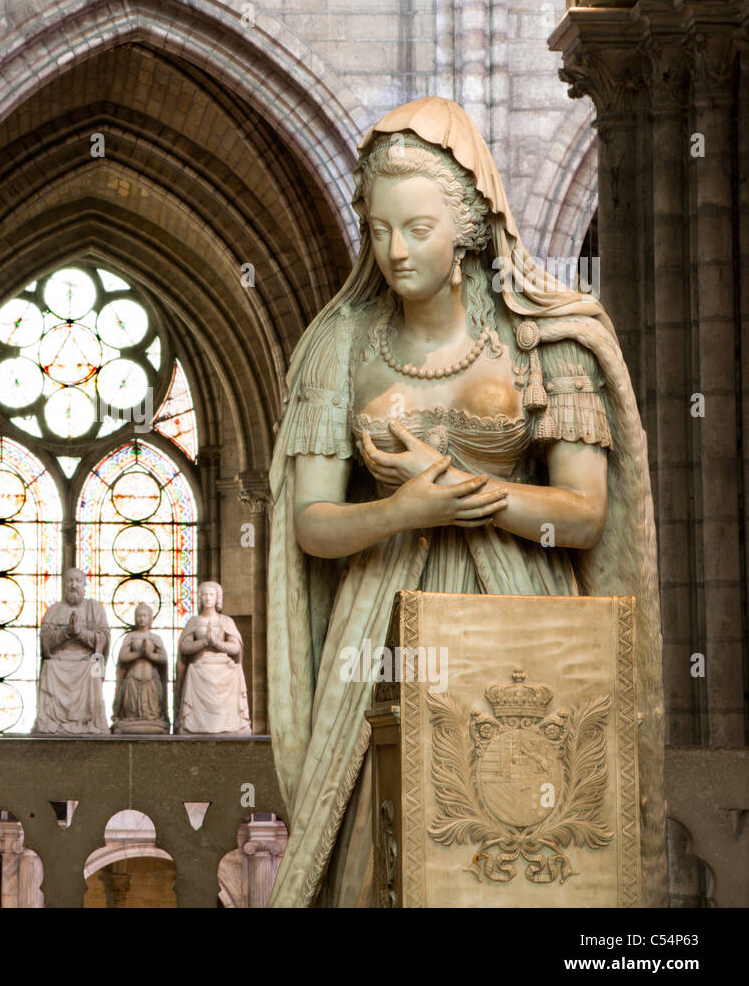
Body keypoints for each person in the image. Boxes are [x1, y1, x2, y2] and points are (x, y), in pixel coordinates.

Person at [266, 97, 664, 906]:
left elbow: (584, 515)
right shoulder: (340, 344)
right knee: (381, 847)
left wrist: (456, 494)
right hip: (383, 621)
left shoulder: (545, 339)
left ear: (468, 230)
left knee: (534, 830)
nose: (394, 252)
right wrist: (402, 511)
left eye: (416, 229)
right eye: (378, 231)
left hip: (525, 612)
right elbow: (311, 524)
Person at [33, 568, 110, 734]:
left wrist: (80, 633)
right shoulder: (53, 610)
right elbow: (45, 643)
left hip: (86, 661)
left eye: (78, 581)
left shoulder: (94, 608)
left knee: (95, 669)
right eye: (69, 581)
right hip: (59, 663)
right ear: (63, 585)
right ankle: (51, 722)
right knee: (49, 665)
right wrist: (66, 633)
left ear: (84, 585)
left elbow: (103, 638)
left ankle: (91, 722)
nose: (73, 585)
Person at [174, 582, 250, 735]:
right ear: (200, 598)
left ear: (217, 598)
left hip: (223, 667)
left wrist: (216, 642)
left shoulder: (226, 621)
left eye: (211, 594)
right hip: (201, 666)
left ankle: (233, 725)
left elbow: (235, 648)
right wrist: (204, 642)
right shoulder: (194, 622)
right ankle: (193, 726)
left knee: (234, 671)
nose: (208, 598)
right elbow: (185, 647)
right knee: (193, 669)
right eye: (204, 594)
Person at [112, 602, 169, 733]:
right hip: (133, 678)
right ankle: (130, 718)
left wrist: (149, 654)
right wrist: (138, 653)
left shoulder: (155, 638)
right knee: (131, 709)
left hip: (151, 678)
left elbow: (163, 658)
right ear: (135, 618)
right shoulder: (131, 637)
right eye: (139, 616)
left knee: (152, 710)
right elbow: (122, 657)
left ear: (150, 618)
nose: (142, 619)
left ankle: (152, 720)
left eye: (145, 616)